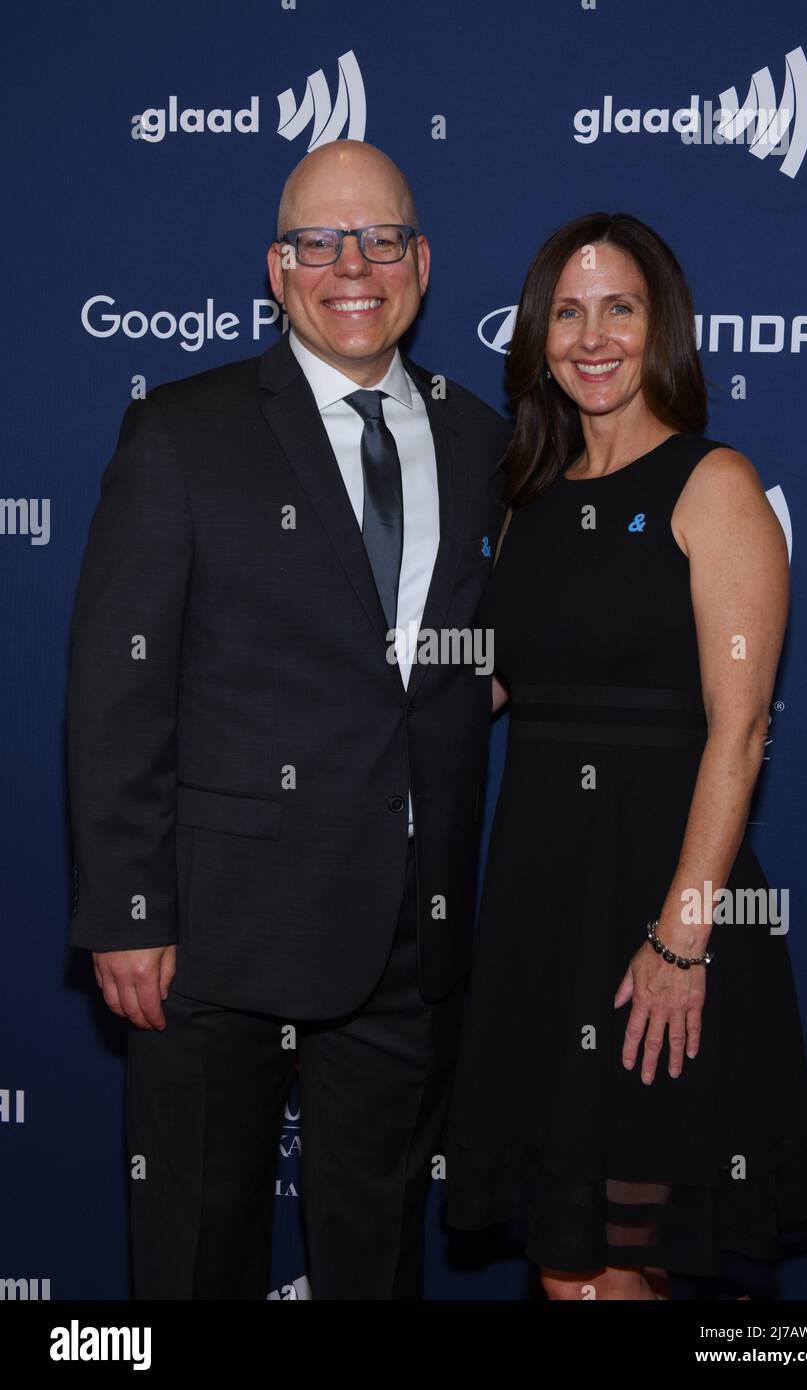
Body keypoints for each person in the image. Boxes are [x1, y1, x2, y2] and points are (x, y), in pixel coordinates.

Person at [66, 140, 509, 1299]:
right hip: (216, 938)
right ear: (276, 268)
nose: (350, 265)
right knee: (195, 1261)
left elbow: (476, 654)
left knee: (374, 1262)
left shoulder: (481, 440)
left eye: (380, 238)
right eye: (319, 241)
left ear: (422, 259)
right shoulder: (182, 431)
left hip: (412, 939)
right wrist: (127, 908)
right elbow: (118, 685)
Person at [441, 212, 807, 1300]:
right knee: (567, 1266)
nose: (591, 335)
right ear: (537, 332)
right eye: (567, 310)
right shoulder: (529, 497)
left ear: (663, 329)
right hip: (538, 907)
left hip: (659, 908)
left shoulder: (715, 485)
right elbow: (496, 682)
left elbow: (739, 730)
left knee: (616, 1272)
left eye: (620, 308)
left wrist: (681, 938)